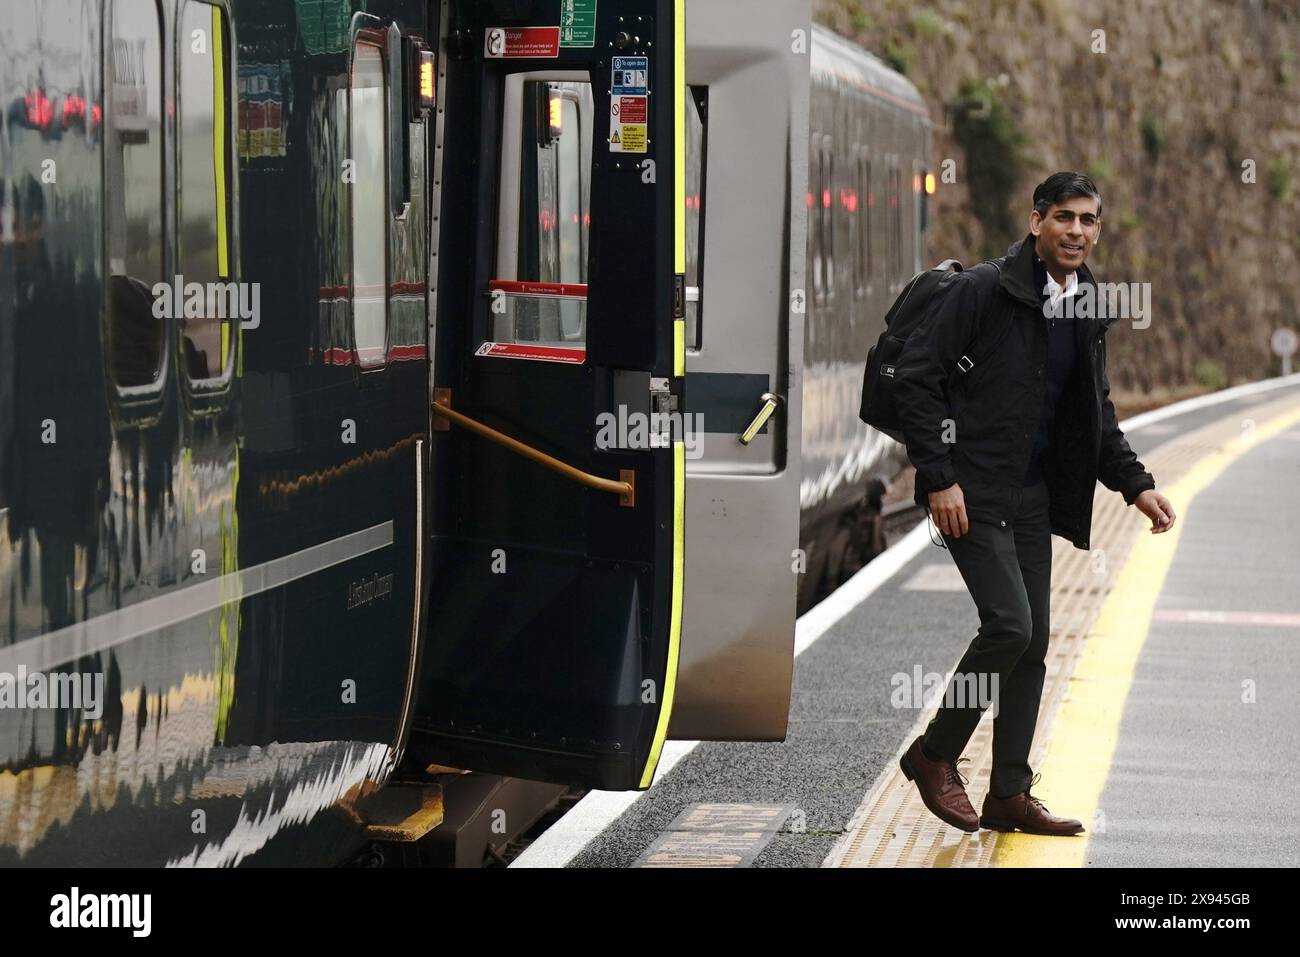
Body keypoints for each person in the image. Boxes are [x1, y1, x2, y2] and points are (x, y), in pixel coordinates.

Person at [892, 171, 1177, 834]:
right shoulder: (986, 290)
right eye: (1065, 218)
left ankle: (1008, 793)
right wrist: (939, 475)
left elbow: (1093, 409)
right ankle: (935, 754)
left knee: (1034, 642)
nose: (1077, 231)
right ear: (1036, 222)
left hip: (1031, 496)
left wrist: (1136, 484)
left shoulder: (1087, 302)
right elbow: (917, 378)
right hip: (970, 490)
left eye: (1089, 219)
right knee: (1010, 626)